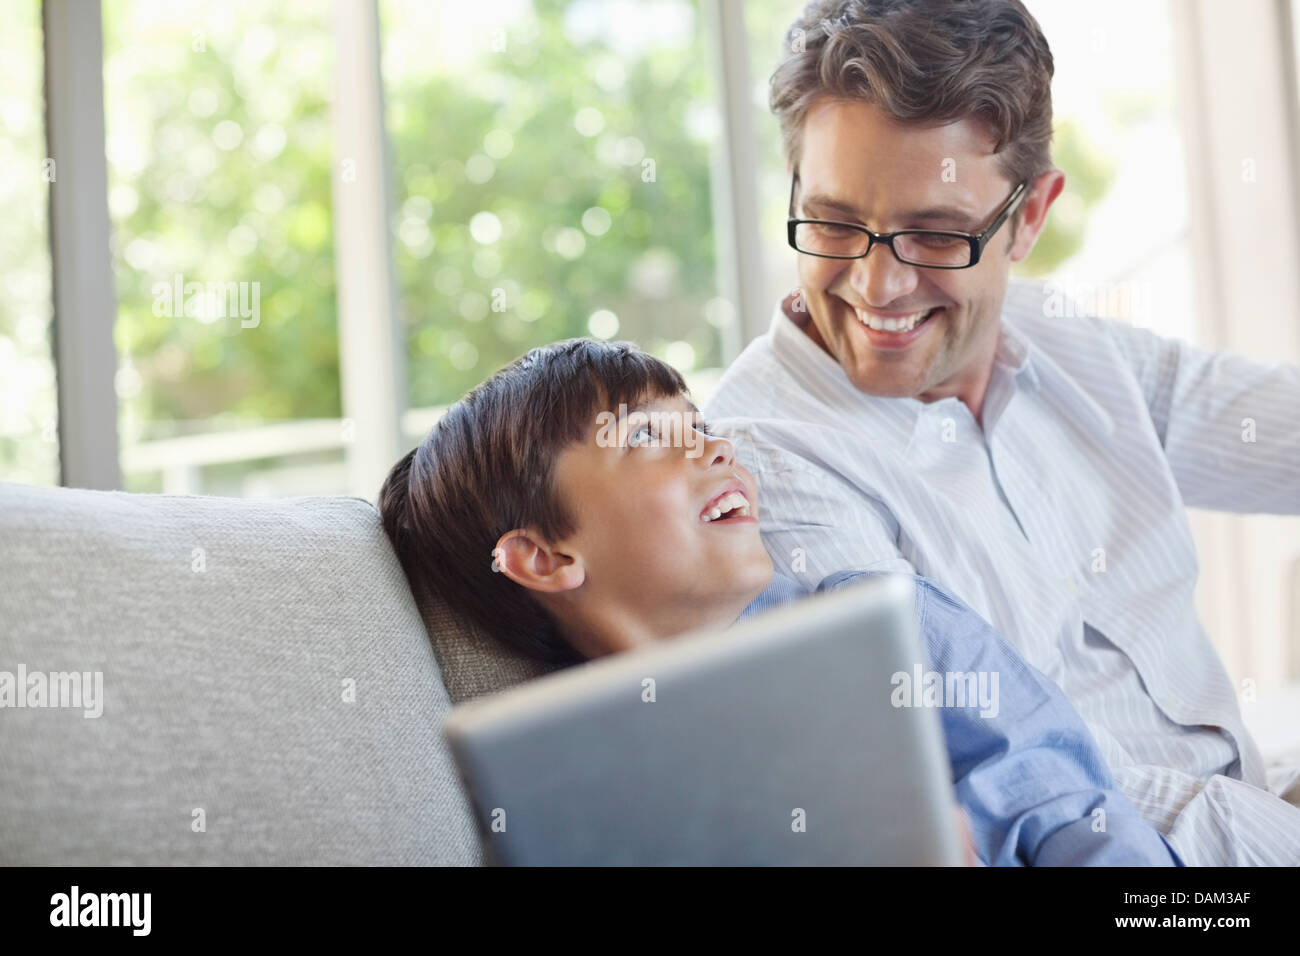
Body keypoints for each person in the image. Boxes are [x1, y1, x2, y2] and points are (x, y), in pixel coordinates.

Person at [702, 0, 1300, 865]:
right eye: (834, 222)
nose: (878, 286)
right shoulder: (768, 467)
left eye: (936, 235)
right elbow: (1007, 778)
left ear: (1029, 216)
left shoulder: (1070, 345)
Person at [378, 337, 1180, 866]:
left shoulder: (890, 623)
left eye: (699, 423)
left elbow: (1075, 805)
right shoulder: (570, 778)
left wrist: (970, 840)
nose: (715, 446)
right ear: (547, 556)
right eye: (649, 439)